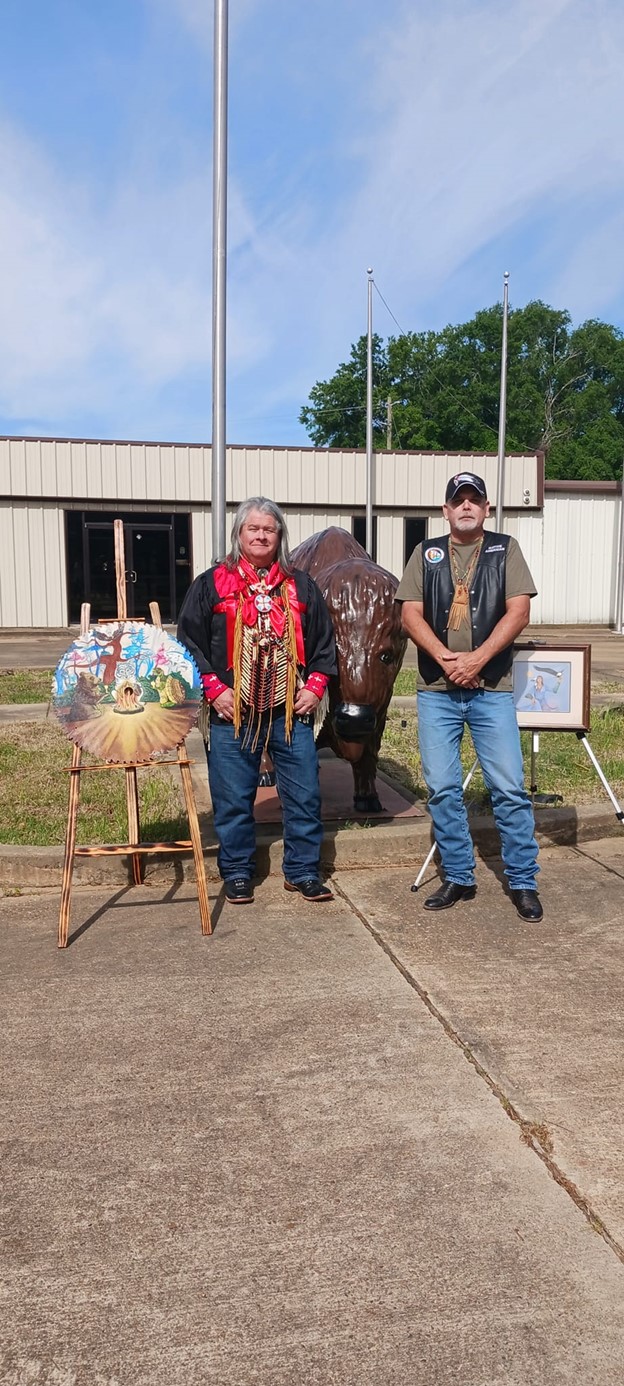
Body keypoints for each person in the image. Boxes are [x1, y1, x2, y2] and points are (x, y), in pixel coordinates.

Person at [396, 471, 543, 922]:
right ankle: (459, 875)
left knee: (509, 789)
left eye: (473, 500)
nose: (465, 506)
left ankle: (522, 881)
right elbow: (409, 614)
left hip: (491, 688)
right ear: (445, 510)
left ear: (484, 508)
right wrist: (446, 659)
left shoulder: (505, 549)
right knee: (442, 789)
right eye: (457, 500)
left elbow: (519, 611)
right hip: (437, 691)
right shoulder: (426, 553)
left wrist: (477, 659)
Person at [177, 497, 337, 905]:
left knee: (304, 795)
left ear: (279, 535)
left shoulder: (300, 585)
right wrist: (215, 688)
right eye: (254, 528)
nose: (262, 535)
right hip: (233, 711)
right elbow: (189, 642)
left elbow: (323, 642)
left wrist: (314, 686)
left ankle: (302, 871)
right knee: (233, 798)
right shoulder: (212, 583)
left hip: (289, 713)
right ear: (239, 534)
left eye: (270, 529)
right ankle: (237, 872)